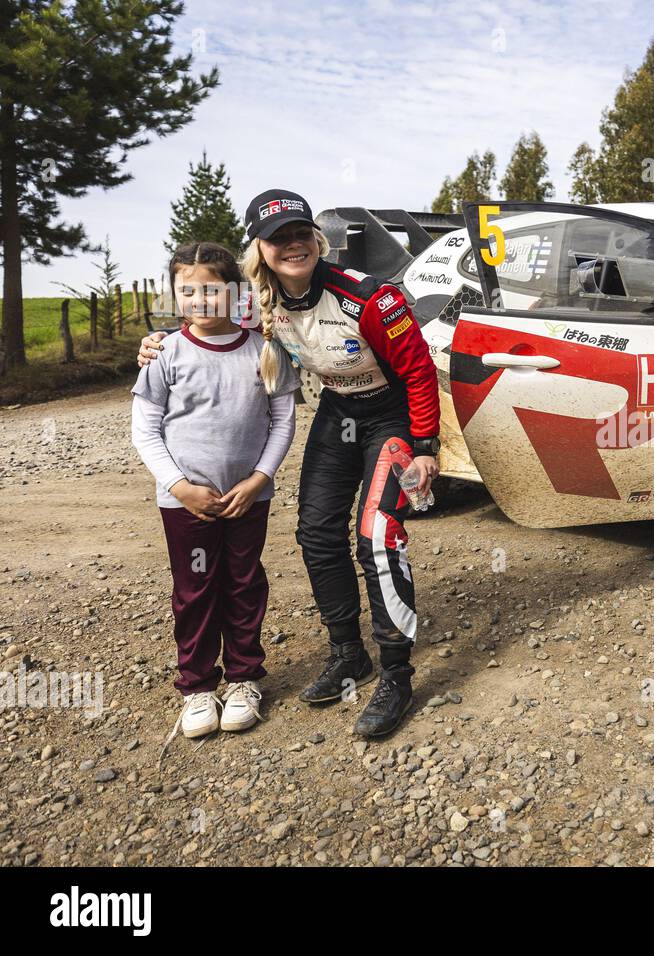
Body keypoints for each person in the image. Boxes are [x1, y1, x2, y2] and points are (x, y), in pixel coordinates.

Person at [139, 189, 441, 737]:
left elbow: (419, 372)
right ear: (262, 248)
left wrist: (426, 449)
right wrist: (156, 342)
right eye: (278, 238)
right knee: (316, 532)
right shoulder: (257, 301)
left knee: (376, 534)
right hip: (339, 409)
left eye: (300, 233)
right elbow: (204, 324)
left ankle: (397, 673)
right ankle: (348, 651)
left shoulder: (371, 297)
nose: (292, 245)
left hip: (391, 414)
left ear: (316, 239)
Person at [131, 241, 298, 741]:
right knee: (196, 589)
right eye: (188, 291)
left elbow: (282, 421)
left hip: (248, 499)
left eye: (211, 289)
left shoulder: (264, 351)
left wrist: (258, 479)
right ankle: (198, 686)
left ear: (235, 291)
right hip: (188, 506)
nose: (200, 301)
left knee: (244, 583)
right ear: (175, 294)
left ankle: (244, 678)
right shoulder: (165, 353)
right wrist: (181, 488)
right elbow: (146, 429)